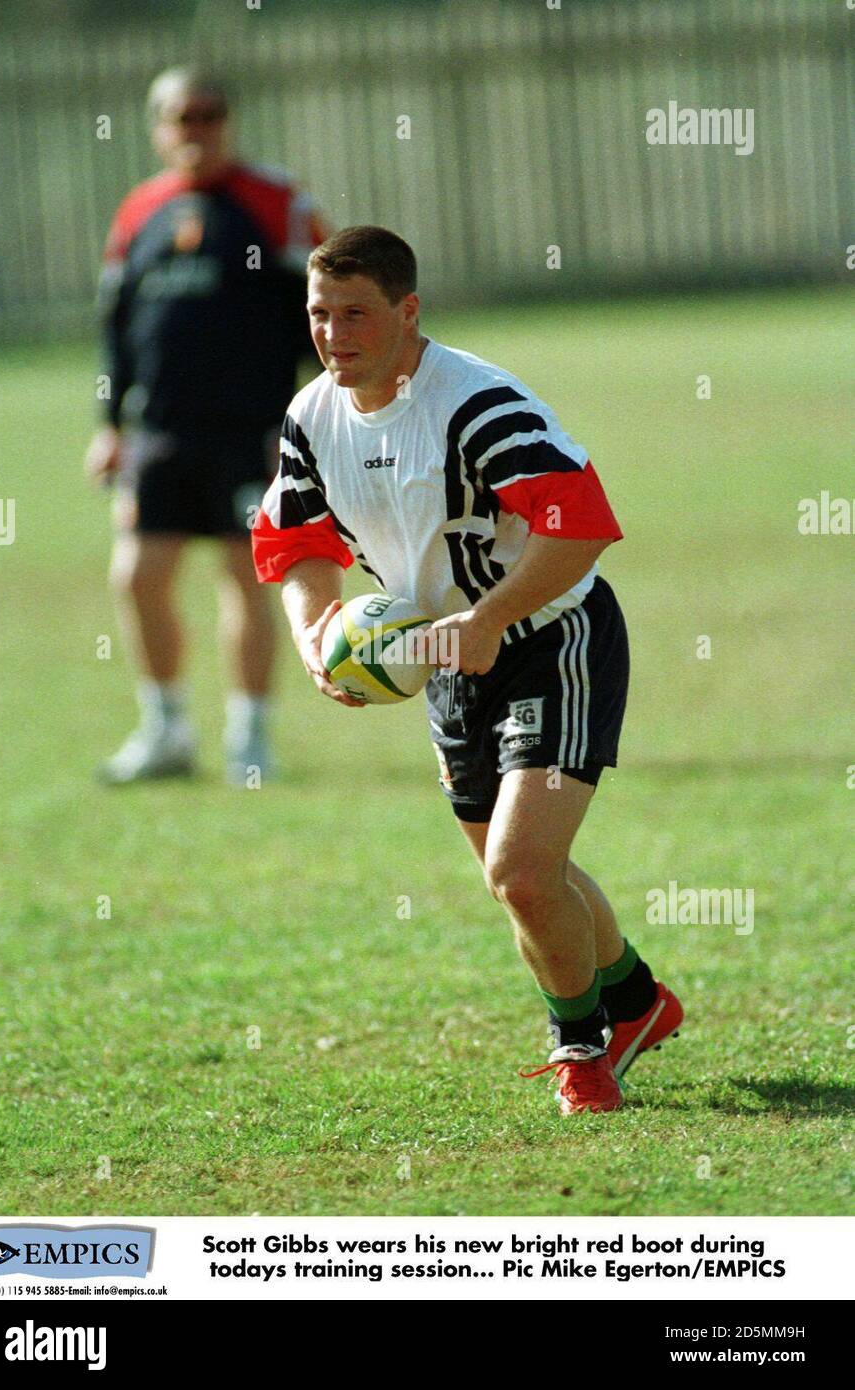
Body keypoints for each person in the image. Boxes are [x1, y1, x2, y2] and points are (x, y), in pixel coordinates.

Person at [251, 225, 683, 1114]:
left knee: (522, 872)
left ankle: (582, 1049)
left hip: (550, 637)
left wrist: (490, 618)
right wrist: (315, 638)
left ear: (408, 312)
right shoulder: (311, 418)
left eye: (357, 313)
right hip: (440, 661)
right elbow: (293, 542)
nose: (334, 335)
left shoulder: (476, 404)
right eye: (319, 315)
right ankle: (640, 1001)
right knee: (525, 876)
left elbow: (582, 524)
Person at [85, 67, 328, 785]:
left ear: (228, 121)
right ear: (159, 128)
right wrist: (109, 424)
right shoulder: (140, 212)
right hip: (159, 433)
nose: (196, 129)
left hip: (251, 433)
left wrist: (322, 417)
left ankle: (249, 740)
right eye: (181, 117)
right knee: (137, 574)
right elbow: (117, 328)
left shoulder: (276, 202)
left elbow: (326, 309)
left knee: (243, 575)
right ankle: (165, 731)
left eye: (210, 114)